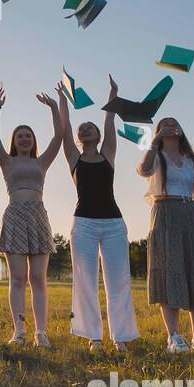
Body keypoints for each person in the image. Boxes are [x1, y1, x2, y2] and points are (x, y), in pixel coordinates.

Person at [136, 116, 194, 353]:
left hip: (189, 214)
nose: (170, 126)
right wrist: (154, 141)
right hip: (164, 214)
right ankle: (174, 337)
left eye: (173, 123)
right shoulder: (156, 156)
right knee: (169, 273)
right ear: (159, 130)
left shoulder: (191, 160)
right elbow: (142, 170)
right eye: (164, 124)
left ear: (180, 130)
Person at [65, 75, 139, 352]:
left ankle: (120, 337)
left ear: (97, 135)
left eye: (90, 127)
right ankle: (93, 337)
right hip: (83, 224)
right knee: (85, 280)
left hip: (114, 224)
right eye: (81, 128)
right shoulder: (74, 157)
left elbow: (109, 120)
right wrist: (62, 100)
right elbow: (63, 128)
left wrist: (113, 93)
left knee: (118, 280)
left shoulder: (108, 153)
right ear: (78, 138)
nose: (85, 129)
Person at [0, 83, 65, 346]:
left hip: (37, 215)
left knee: (38, 278)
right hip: (15, 216)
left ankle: (41, 332)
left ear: (33, 141)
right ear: (15, 140)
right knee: (18, 278)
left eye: (28, 136)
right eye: (20, 135)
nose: (24, 139)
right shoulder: (6, 161)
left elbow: (59, 137)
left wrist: (54, 107)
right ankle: (19, 331)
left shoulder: (41, 162)